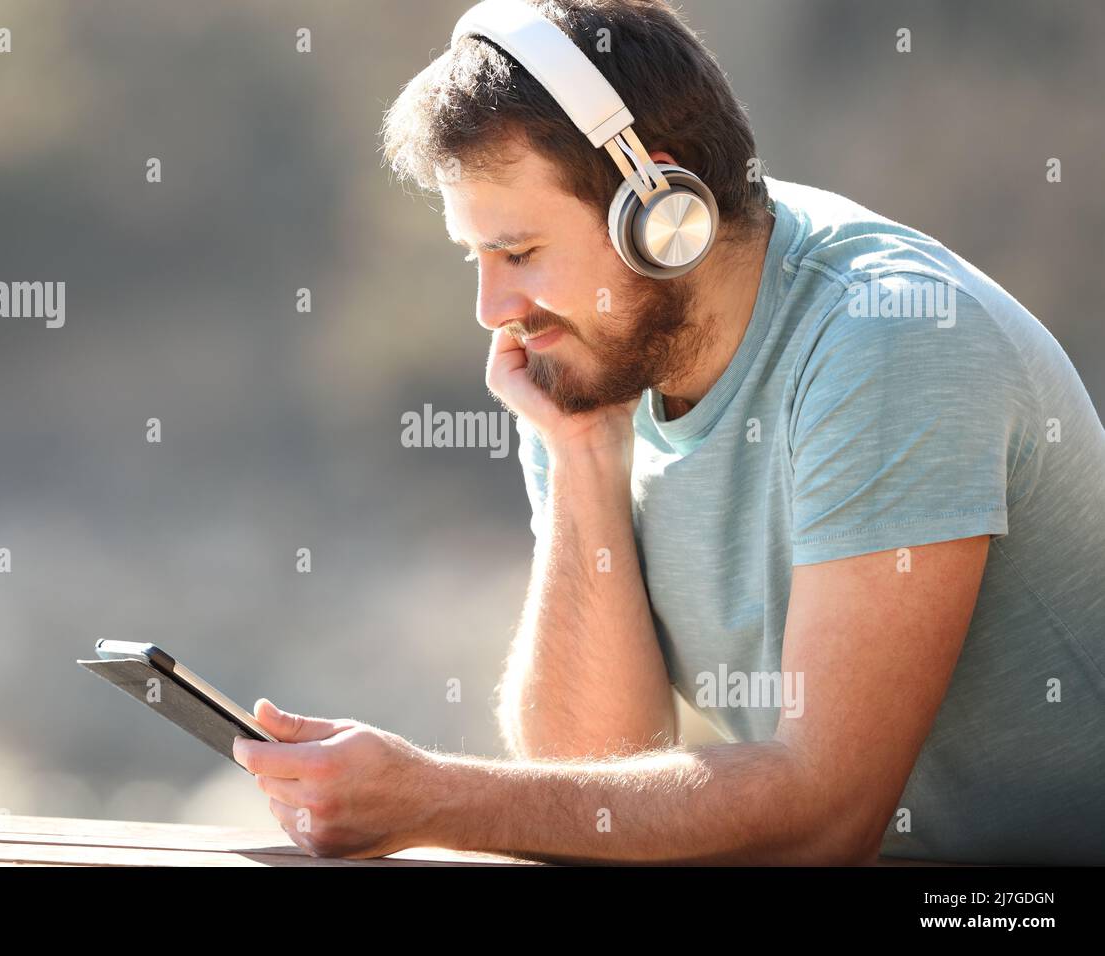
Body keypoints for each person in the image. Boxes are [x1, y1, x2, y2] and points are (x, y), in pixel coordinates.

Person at [232, 0, 1105, 865]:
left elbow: (827, 817)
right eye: (477, 259)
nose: (493, 312)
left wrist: (433, 798)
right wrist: (583, 456)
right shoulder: (598, 349)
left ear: (659, 208)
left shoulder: (893, 339)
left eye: (521, 253)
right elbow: (588, 781)